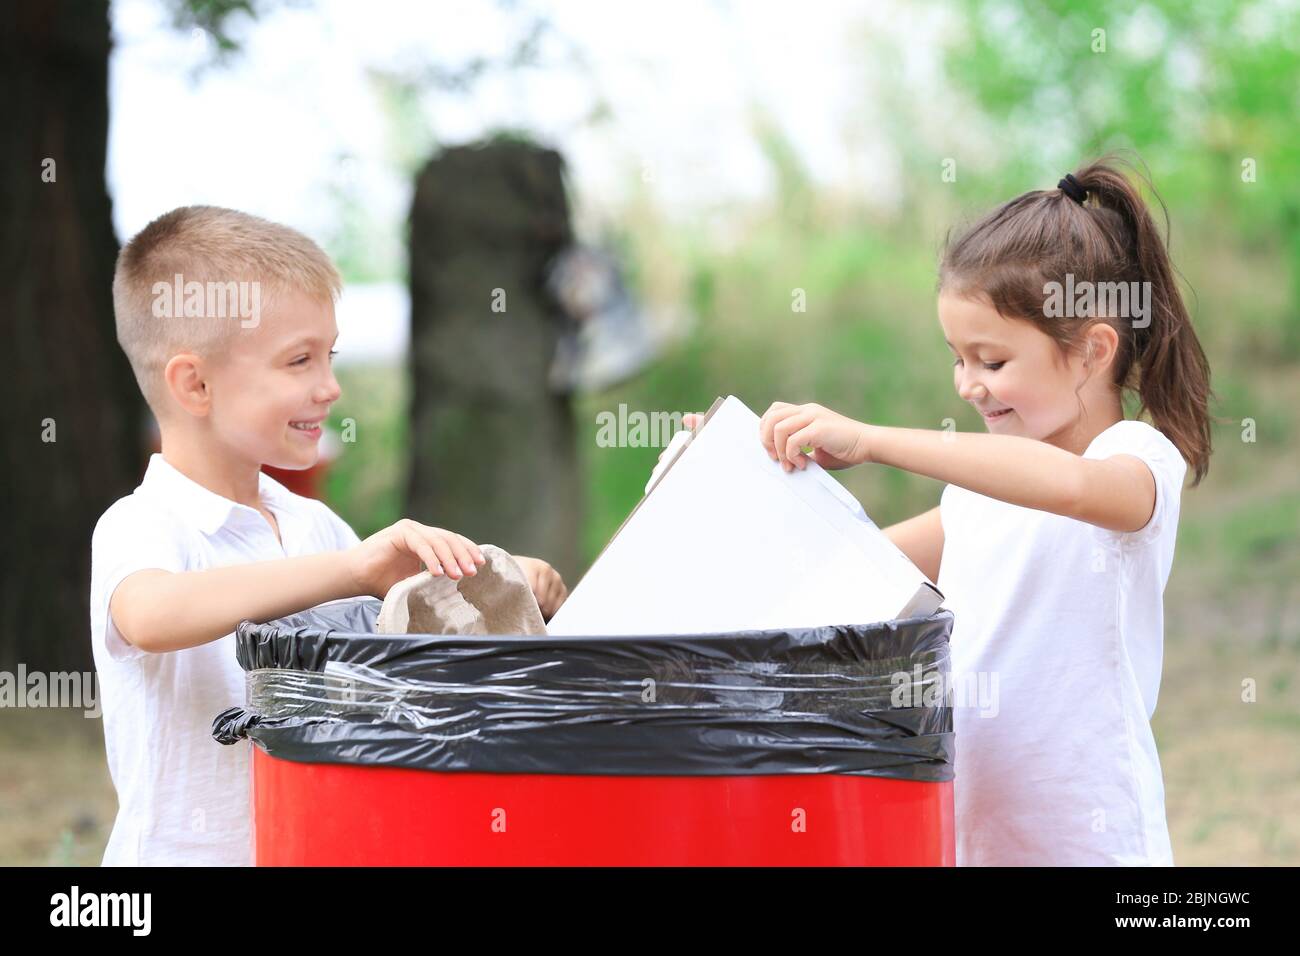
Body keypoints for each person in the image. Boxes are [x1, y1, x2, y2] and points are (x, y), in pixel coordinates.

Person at [728, 158, 1211, 864]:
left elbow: (1071, 488)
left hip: (1090, 843)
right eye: (957, 358)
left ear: (1091, 352)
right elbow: (849, 569)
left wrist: (871, 440)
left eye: (991, 361)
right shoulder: (977, 498)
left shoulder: (1135, 459)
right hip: (976, 838)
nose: (968, 386)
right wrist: (735, 477)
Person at [91, 205, 567, 865]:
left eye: (330, 356)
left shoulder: (314, 526)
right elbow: (151, 614)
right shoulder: (141, 524)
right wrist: (350, 568)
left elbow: (394, 647)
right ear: (195, 383)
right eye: (299, 361)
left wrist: (496, 582)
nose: (330, 387)